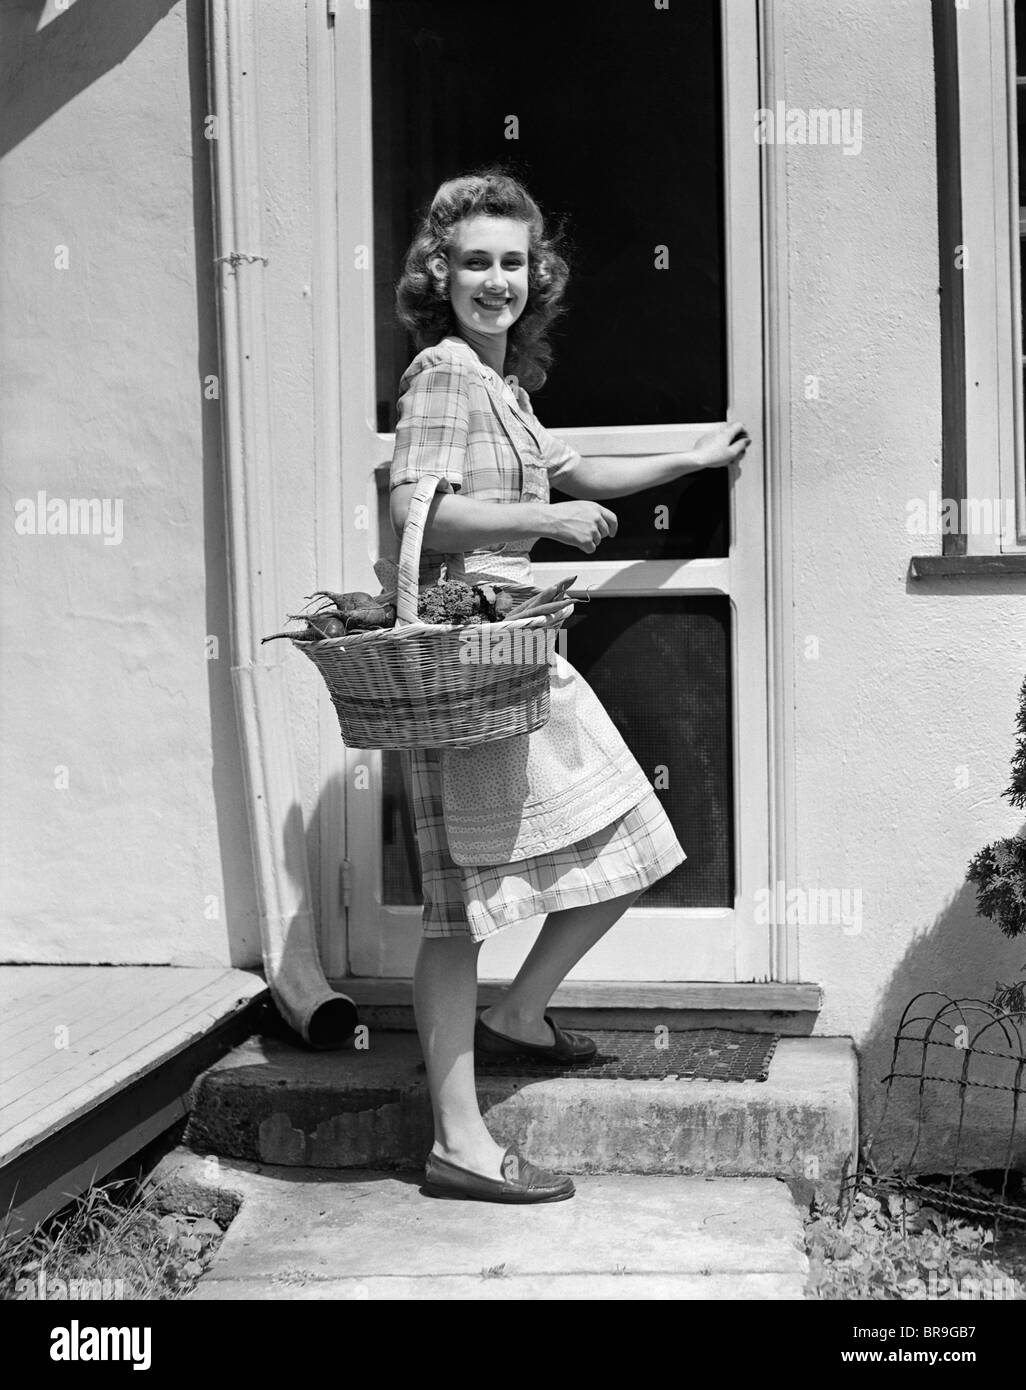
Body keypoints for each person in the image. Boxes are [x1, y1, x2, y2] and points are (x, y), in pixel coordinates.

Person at [389, 169, 750, 1203]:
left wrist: (691, 458)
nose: (496, 281)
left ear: (534, 274)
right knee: (457, 911)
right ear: (440, 274)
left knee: (633, 838)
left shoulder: (504, 385)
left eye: (513, 262)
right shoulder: (443, 376)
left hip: (522, 650)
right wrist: (540, 527)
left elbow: (579, 471)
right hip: (468, 659)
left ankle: (518, 1013)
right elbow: (419, 514)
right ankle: (459, 1140)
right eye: (475, 263)